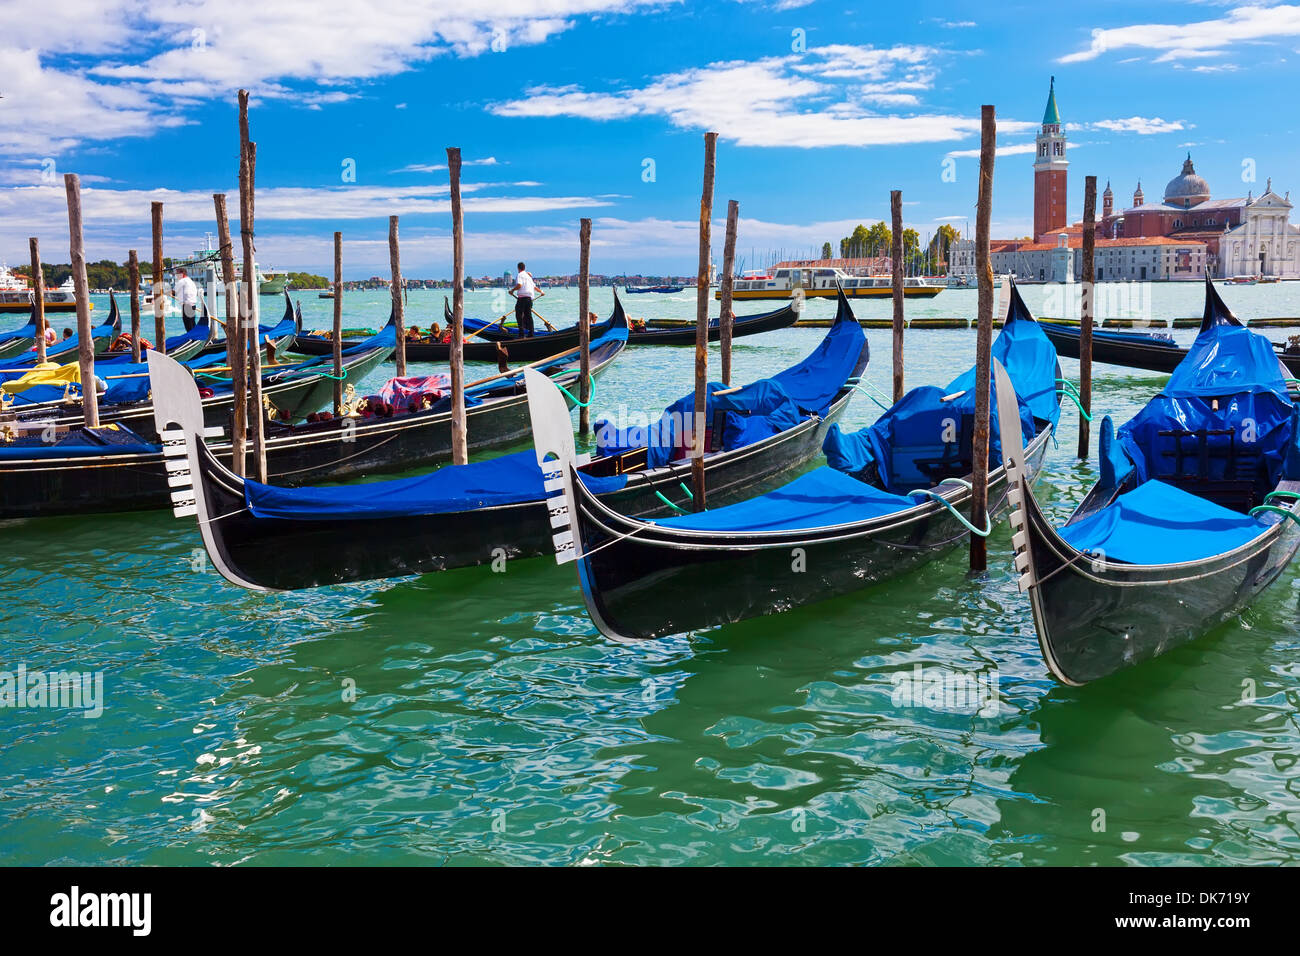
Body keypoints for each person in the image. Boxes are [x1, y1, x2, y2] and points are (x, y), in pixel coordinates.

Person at [508, 261, 544, 337]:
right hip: (529, 299)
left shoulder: (520, 275)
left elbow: (519, 285)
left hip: (522, 299)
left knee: (519, 315)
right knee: (528, 316)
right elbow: (534, 287)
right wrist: (541, 292)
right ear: (524, 268)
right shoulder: (528, 277)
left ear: (518, 268)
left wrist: (512, 290)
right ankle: (531, 334)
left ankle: (521, 334)